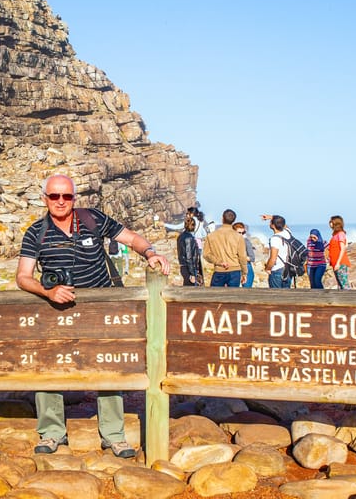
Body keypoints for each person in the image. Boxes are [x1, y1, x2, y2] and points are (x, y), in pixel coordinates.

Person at [15, 174, 170, 458]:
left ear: (75, 198)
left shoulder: (92, 219)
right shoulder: (36, 233)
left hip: (101, 310)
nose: (61, 202)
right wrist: (48, 292)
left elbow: (131, 238)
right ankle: (51, 433)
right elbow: (23, 277)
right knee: (50, 369)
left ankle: (114, 435)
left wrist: (150, 253)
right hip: (56, 311)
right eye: (54, 196)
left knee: (108, 369)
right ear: (44, 199)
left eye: (67, 196)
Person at [203, 209, 248, 287]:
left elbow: (206, 255)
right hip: (235, 271)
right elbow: (242, 256)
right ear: (234, 220)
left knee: (215, 297)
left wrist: (218, 262)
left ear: (222, 218)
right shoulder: (238, 236)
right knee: (233, 297)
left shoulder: (211, 236)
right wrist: (244, 273)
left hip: (219, 269)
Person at [264, 214, 292, 289]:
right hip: (288, 269)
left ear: (273, 225)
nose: (269, 223)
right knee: (286, 295)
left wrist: (268, 268)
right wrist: (272, 217)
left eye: (270, 222)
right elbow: (285, 225)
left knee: (275, 297)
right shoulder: (288, 233)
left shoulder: (275, 239)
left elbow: (273, 258)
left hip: (277, 270)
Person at [177, 214, 203, 286]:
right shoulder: (189, 238)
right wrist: (192, 273)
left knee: (186, 288)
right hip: (188, 267)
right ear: (194, 226)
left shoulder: (180, 236)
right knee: (191, 291)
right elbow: (189, 257)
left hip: (183, 266)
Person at [329, 215, 351, 289]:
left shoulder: (340, 234)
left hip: (340, 262)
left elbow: (343, 248)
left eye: (331, 222)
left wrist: (338, 263)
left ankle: (349, 299)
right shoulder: (335, 234)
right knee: (340, 283)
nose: (330, 223)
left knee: (344, 283)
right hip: (335, 262)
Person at [233, 222, 257, 288]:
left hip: (246, 267)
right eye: (239, 233)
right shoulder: (230, 242)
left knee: (247, 291)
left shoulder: (246, 241)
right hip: (233, 268)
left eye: (243, 233)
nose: (241, 235)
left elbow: (252, 258)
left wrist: (240, 257)